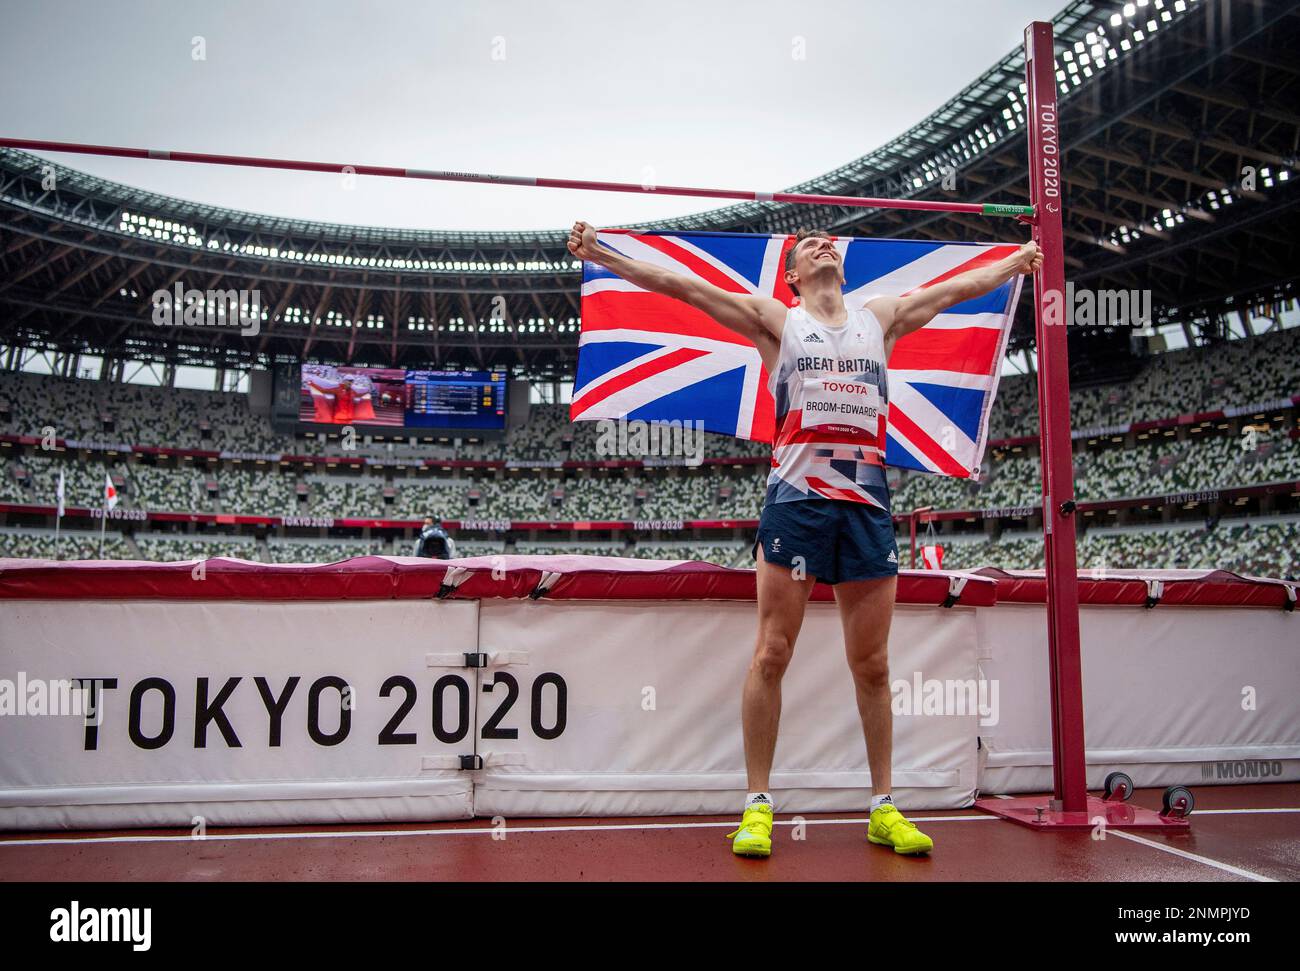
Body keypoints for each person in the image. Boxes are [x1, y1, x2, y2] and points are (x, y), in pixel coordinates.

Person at [567, 220, 1041, 858]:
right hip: (796, 506)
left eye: (832, 242)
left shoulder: (881, 319)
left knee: (872, 665)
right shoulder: (777, 322)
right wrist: (604, 253)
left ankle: (882, 807)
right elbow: (682, 286)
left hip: (866, 507)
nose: (825, 244)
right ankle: (758, 804)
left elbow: (958, 289)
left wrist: (1019, 259)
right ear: (790, 274)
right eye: (810, 243)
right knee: (772, 653)